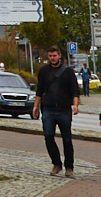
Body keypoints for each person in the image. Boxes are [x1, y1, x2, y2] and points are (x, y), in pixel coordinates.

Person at [32, 45, 81, 177]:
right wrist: (36, 106)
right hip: (48, 108)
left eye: (54, 56)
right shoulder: (43, 71)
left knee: (66, 139)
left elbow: (75, 90)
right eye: (50, 56)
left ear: (59, 56)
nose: (53, 58)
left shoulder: (68, 72)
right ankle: (56, 163)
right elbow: (39, 90)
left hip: (64, 109)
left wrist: (75, 105)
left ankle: (69, 167)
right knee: (48, 136)